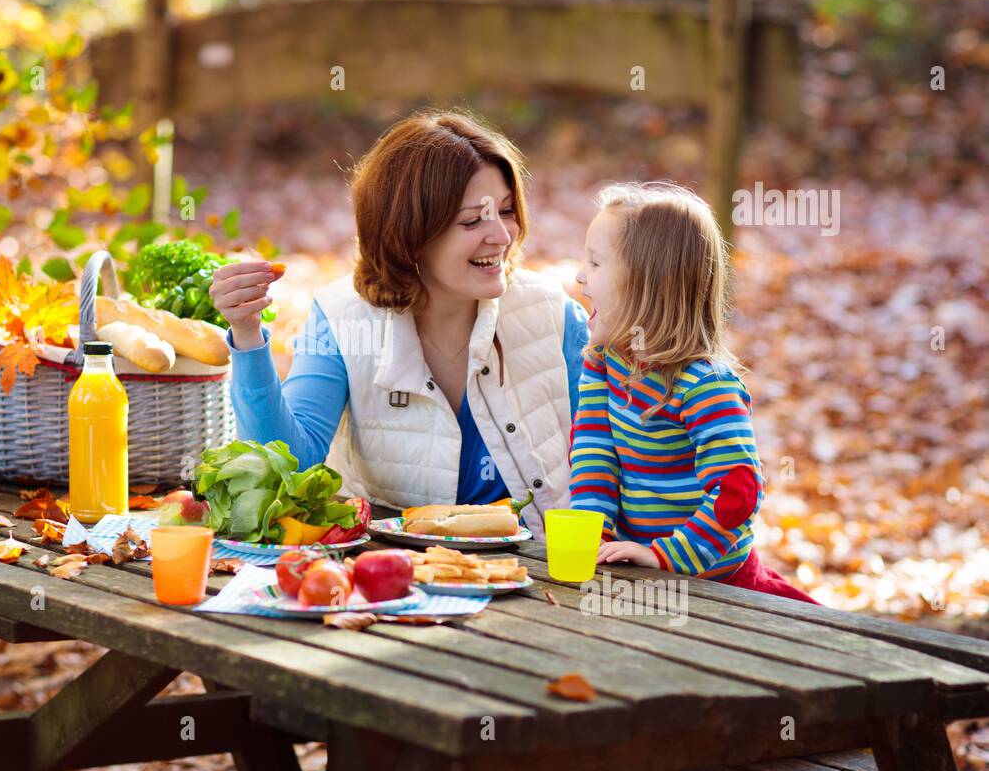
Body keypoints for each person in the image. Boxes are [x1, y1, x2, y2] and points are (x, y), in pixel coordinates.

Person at [209, 110, 588, 541]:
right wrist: (246, 333)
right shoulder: (341, 318)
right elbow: (285, 466)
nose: (501, 235)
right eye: (472, 221)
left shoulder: (553, 315)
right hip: (393, 575)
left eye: (505, 211)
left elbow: (613, 456)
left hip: (543, 579)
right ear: (409, 234)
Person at [568, 181, 818, 602]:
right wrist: (595, 534)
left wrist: (664, 555)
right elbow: (594, 451)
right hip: (639, 574)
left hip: (718, 584)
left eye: (595, 263)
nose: (579, 275)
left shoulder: (705, 386)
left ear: (647, 284)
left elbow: (737, 491)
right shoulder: (604, 363)